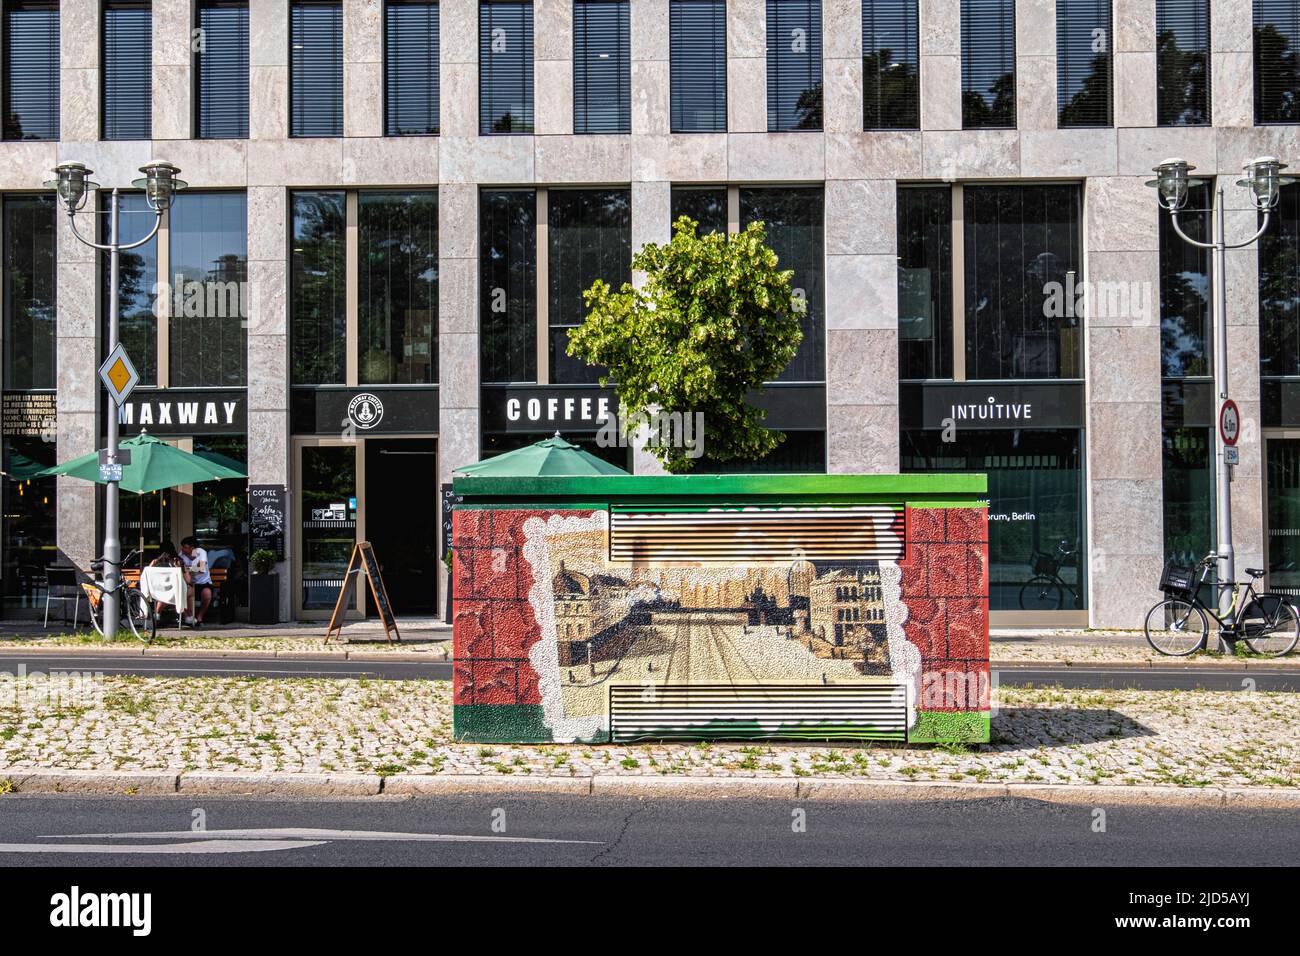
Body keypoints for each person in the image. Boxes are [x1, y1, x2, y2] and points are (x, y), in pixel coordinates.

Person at [179, 536, 213, 627]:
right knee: (185, 593)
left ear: (192, 548)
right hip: (189, 583)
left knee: (207, 594)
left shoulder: (201, 552)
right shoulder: (181, 555)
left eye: (185, 547)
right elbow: (181, 570)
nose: (182, 549)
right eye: (182, 547)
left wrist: (188, 570)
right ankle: (188, 618)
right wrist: (193, 569)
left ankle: (199, 618)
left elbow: (201, 568)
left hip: (203, 583)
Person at [148, 540, 184, 623]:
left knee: (165, 592)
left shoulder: (154, 562)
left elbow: (147, 574)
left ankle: (157, 615)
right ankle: (183, 616)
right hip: (173, 590)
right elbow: (187, 579)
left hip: (155, 590)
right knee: (182, 591)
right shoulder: (177, 562)